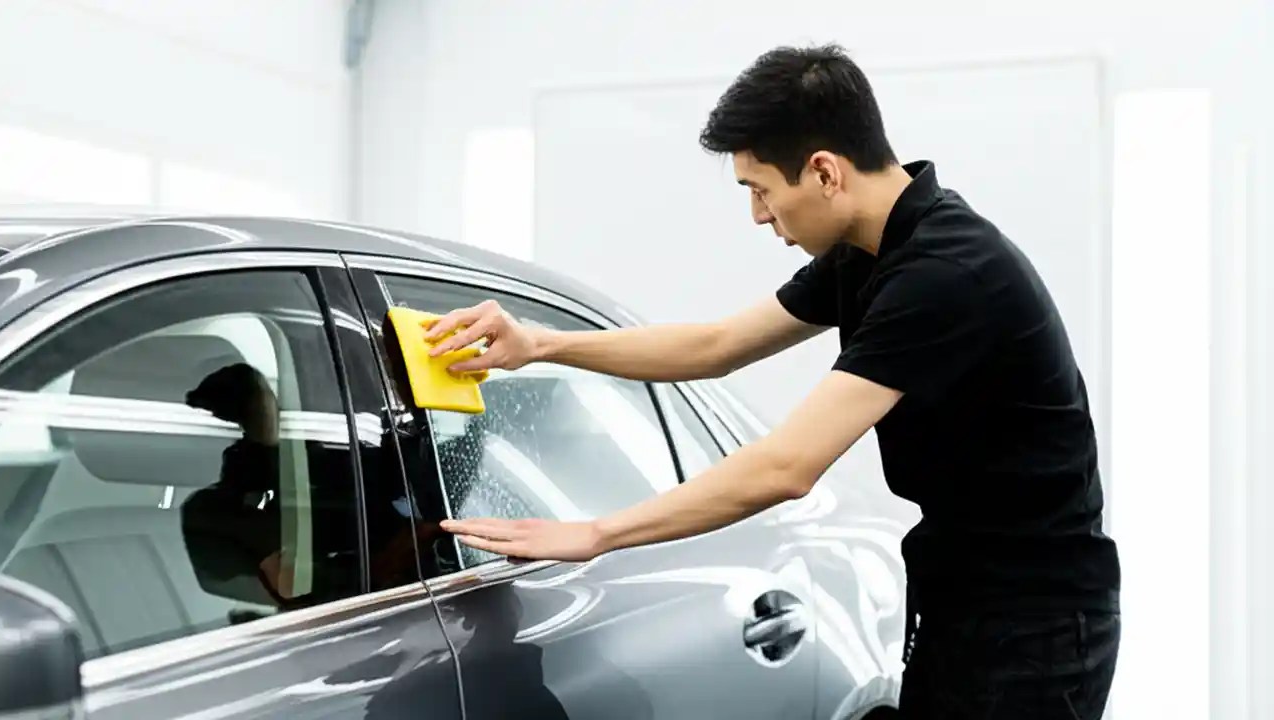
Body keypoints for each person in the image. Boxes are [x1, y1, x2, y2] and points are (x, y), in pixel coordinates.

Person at [427, 43, 1120, 719]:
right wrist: (540, 343)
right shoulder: (870, 251)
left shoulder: (944, 273)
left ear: (824, 172)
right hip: (963, 593)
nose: (759, 215)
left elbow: (786, 467)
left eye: (760, 191)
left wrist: (596, 534)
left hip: (1034, 622)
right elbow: (717, 345)